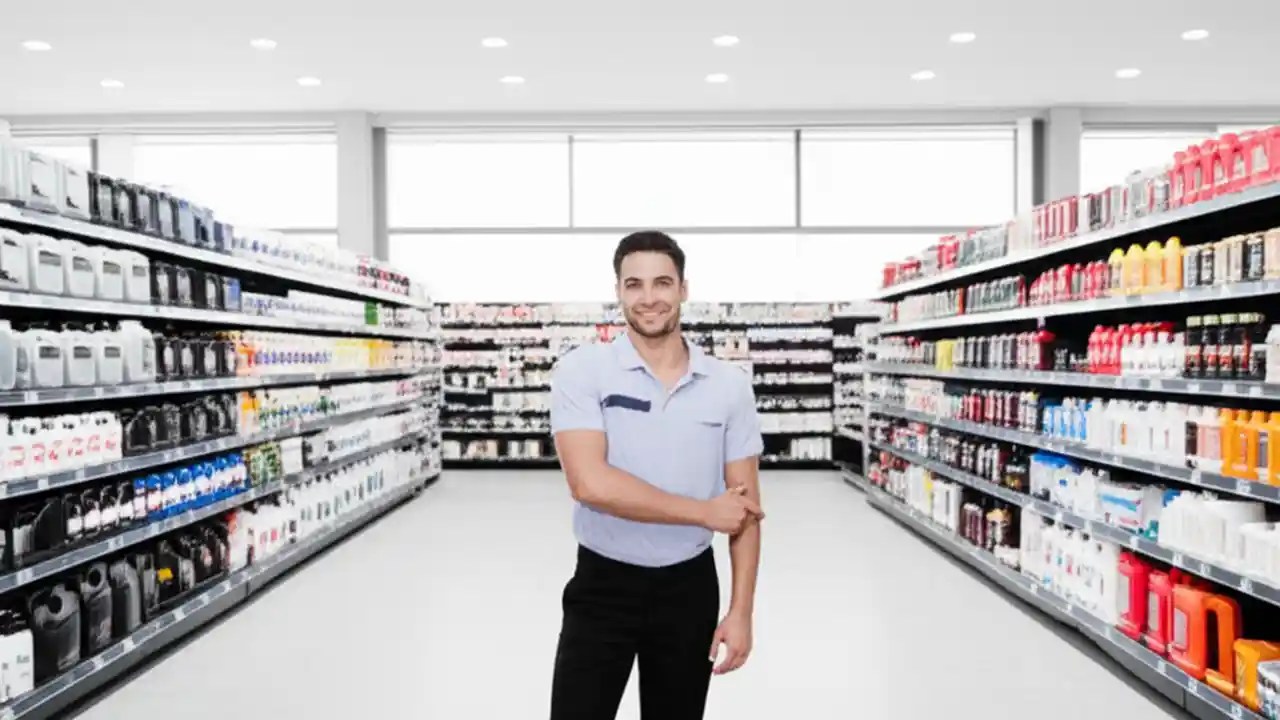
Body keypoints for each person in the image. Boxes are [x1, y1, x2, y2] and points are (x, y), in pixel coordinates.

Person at [548, 230, 766, 720]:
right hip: (602, 584)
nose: (649, 298)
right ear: (619, 290)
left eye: (662, 283)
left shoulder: (729, 387)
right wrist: (703, 512)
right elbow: (589, 484)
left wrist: (741, 610)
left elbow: (746, 510)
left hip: (688, 590)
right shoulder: (583, 371)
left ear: (684, 289)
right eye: (634, 284)